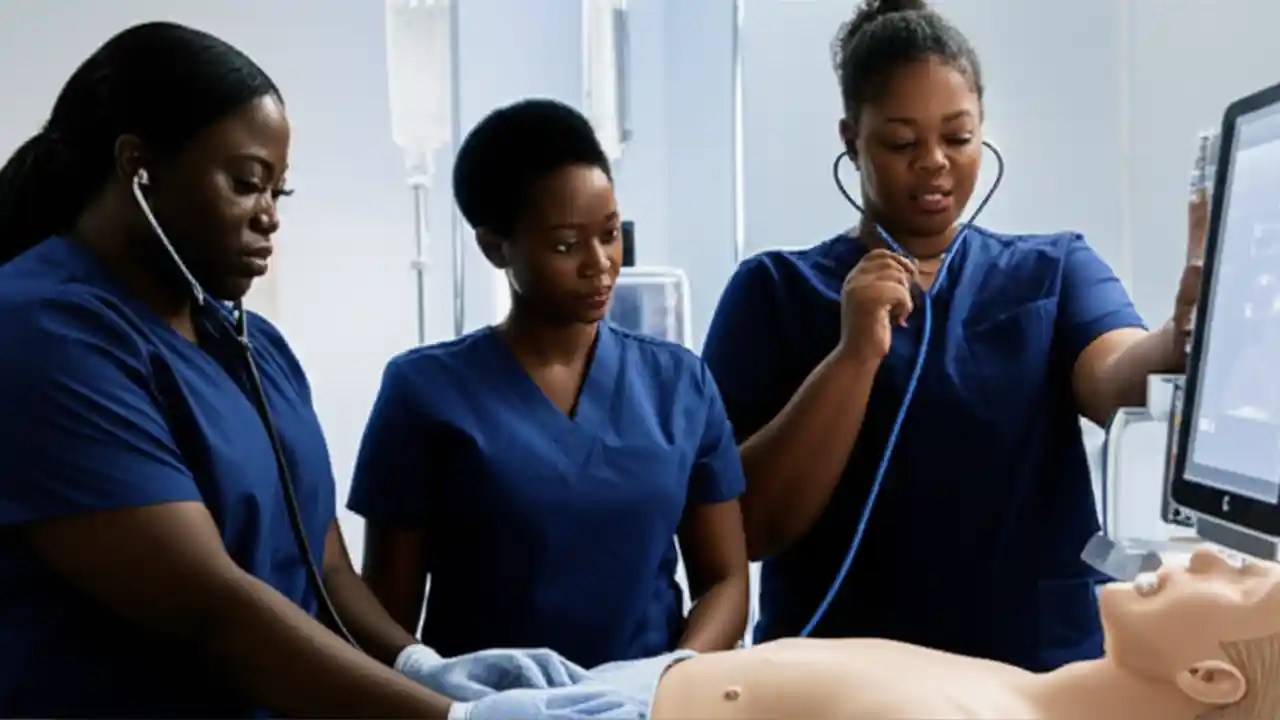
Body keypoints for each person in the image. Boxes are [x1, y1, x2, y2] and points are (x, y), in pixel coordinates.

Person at [699, 0, 1202, 671]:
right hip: (840, 689)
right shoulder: (772, 292)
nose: (934, 163)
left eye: (958, 138)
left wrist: (1184, 330)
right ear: (851, 140)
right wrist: (853, 356)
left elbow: (1118, 383)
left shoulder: (1052, 269)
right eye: (903, 143)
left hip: (1037, 681)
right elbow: (747, 526)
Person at [0, 22, 456, 717]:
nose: (268, 217)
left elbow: (323, 567)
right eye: (246, 183)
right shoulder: (39, 332)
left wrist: (424, 667)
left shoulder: (255, 347)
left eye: (280, 192)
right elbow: (210, 607)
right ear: (138, 166)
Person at [348, 99, 750, 669]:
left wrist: (668, 674)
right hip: (492, 709)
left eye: (610, 234)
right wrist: (446, 689)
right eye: (565, 245)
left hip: (646, 706)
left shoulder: (680, 383)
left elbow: (727, 581)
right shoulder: (424, 392)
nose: (600, 264)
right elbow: (388, 617)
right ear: (495, 247)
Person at [397, 544, 1280, 720]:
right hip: (626, 677)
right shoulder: (1038, 688)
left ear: (1210, 679)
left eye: (1238, 581)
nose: (1205, 556)